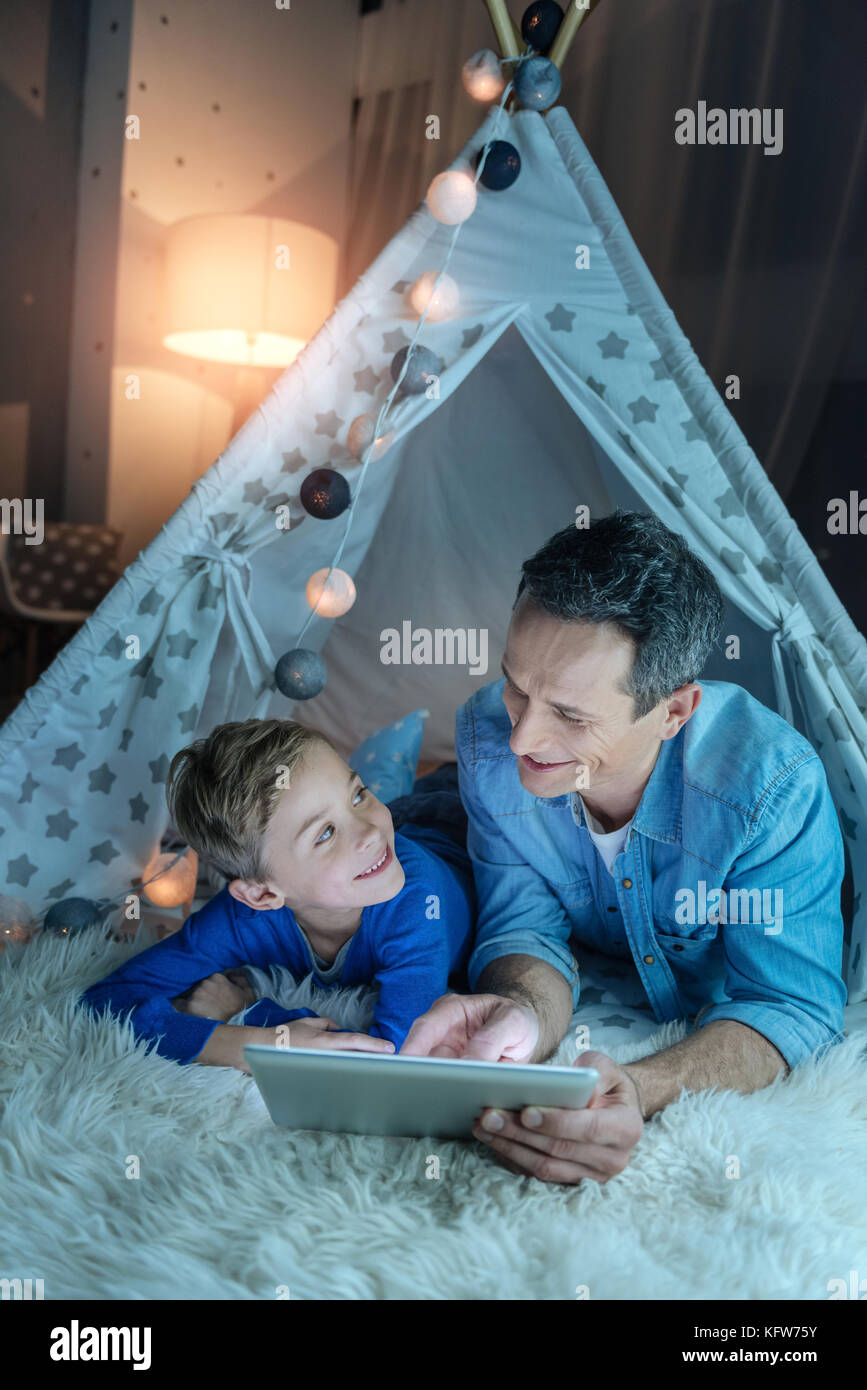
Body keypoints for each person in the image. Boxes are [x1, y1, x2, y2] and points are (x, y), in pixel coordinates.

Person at [400, 511, 847, 1187]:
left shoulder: (771, 789)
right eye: (516, 687)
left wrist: (639, 1086)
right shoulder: (484, 738)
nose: (520, 740)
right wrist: (522, 1016)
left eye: (570, 716)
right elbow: (522, 924)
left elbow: (790, 1005)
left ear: (673, 712)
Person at [79, 720, 475, 1068]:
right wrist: (241, 1045)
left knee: (455, 782)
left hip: (450, 828)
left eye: (358, 793)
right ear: (261, 895)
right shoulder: (241, 918)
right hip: (401, 831)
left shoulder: (417, 903)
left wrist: (251, 1014)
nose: (370, 831)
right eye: (324, 833)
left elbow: (394, 1054)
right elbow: (107, 999)